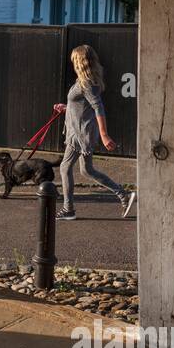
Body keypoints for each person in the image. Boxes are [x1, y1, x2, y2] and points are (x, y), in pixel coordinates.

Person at [52, 44, 136, 221]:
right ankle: (123, 194)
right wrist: (66, 108)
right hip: (79, 131)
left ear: (80, 61)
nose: (72, 61)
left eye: (74, 59)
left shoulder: (87, 84)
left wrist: (104, 135)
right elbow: (82, 107)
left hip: (80, 135)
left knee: (64, 167)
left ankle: (68, 209)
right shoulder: (84, 81)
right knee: (87, 170)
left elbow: (99, 108)